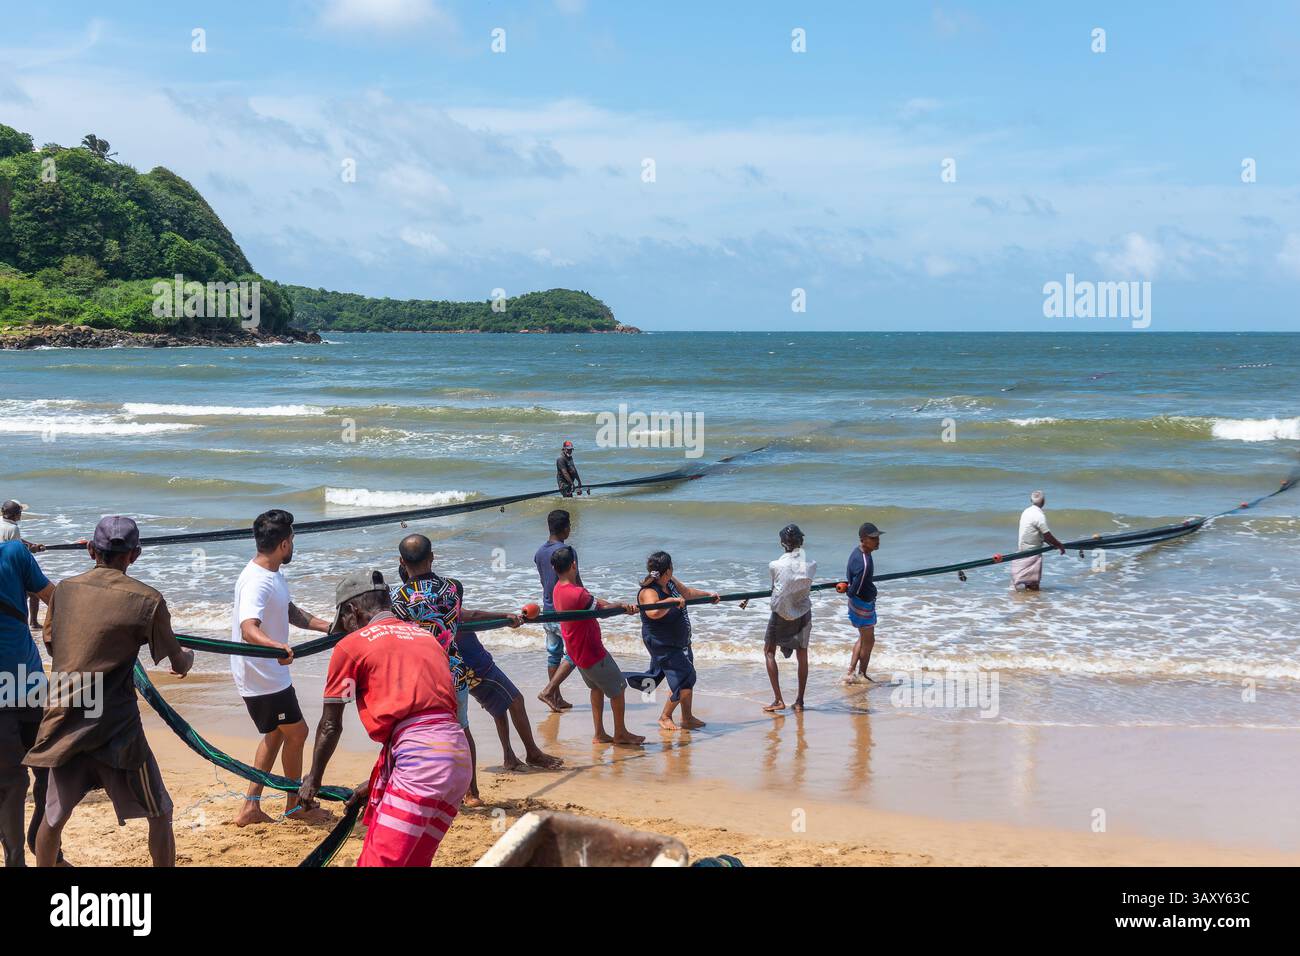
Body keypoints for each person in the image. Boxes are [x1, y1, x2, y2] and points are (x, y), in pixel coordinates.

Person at [25, 517, 194, 867]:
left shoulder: (64, 591)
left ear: (90, 550)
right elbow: (177, 663)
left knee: (53, 817)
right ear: (135, 555)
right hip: (117, 729)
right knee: (160, 812)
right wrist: (187, 657)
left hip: (63, 719)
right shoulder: (148, 600)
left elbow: (55, 646)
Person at [300, 570, 471, 867]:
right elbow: (432, 718)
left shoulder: (350, 646)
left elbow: (331, 724)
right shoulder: (425, 638)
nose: (345, 629)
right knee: (414, 862)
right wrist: (380, 780)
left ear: (353, 611)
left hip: (421, 762)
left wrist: (312, 780)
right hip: (457, 758)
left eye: (344, 622)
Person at [387, 534, 562, 772]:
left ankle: (508, 758)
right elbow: (470, 615)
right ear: (431, 558)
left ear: (402, 562)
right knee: (512, 701)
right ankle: (529, 754)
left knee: (495, 708)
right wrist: (504, 617)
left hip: (427, 675)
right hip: (470, 665)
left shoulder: (400, 601)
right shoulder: (449, 592)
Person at [230, 509, 332, 826]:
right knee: (298, 732)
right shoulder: (257, 582)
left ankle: (250, 807)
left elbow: (290, 612)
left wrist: (329, 627)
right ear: (285, 544)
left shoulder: (271, 573)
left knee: (276, 736)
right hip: (263, 676)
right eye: (293, 540)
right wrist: (277, 647)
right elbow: (249, 628)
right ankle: (295, 806)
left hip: (265, 672)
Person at [390, 535, 482, 807]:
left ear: (401, 562)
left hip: (416, 677)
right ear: (433, 556)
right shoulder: (454, 588)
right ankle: (472, 792)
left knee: (415, 731)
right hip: (452, 670)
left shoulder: (395, 598)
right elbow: (458, 615)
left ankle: (420, 788)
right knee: (461, 729)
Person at [549, 546, 643, 747]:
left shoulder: (558, 589)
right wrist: (622, 607)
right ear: (574, 565)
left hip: (577, 651)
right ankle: (621, 734)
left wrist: (619, 606)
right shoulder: (577, 593)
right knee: (618, 688)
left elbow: (595, 603)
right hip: (592, 651)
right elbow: (602, 611)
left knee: (596, 688)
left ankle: (599, 733)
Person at [0, 530, 54, 866]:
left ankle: (17, 857)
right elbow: (59, 600)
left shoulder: (16, 553)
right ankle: (37, 836)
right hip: (30, 681)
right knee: (48, 766)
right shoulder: (15, 555)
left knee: (10, 779)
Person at [635, 552, 718, 731]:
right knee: (686, 677)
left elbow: (687, 593)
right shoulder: (648, 591)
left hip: (680, 641)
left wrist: (708, 595)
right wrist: (671, 602)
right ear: (667, 570)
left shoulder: (670, 582)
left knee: (684, 675)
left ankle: (687, 718)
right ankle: (665, 716)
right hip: (662, 643)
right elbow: (653, 613)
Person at [763, 524, 815, 713]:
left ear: (782, 544)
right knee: (802, 654)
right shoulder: (811, 564)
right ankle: (800, 701)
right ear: (801, 542)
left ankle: (778, 699)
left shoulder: (775, 565)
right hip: (803, 611)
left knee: (769, 651)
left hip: (782, 613)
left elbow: (775, 587)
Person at [534, 509, 577, 713]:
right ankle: (550, 691)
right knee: (575, 653)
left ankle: (557, 698)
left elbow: (545, 581)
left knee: (554, 655)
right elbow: (574, 581)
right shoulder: (567, 551)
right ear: (566, 528)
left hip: (547, 609)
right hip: (565, 611)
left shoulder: (539, 552)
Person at [844, 522, 884, 684]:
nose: (877, 541)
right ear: (863, 540)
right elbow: (856, 589)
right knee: (869, 640)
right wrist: (849, 591)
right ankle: (862, 674)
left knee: (863, 637)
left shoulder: (857, 552)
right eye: (873, 538)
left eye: (878, 537)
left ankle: (850, 672)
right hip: (863, 605)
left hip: (855, 604)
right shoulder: (865, 563)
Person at [2, 500, 46, 629]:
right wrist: (31, 549)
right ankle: (32, 623)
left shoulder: (1, 522)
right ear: (16, 515)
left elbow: (16, 541)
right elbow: (17, 550)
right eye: (20, 512)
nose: (21, 514)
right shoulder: (13, 528)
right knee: (33, 593)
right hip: (10, 567)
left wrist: (32, 544)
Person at [1011, 491, 1066, 590]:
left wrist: (1051, 544)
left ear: (1030, 500)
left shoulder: (1026, 512)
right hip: (1034, 551)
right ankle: (1033, 602)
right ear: (1043, 502)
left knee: (1027, 582)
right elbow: (1047, 534)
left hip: (1022, 549)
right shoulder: (1039, 516)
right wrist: (1059, 545)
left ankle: (1027, 600)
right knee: (1034, 584)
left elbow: (1035, 532)